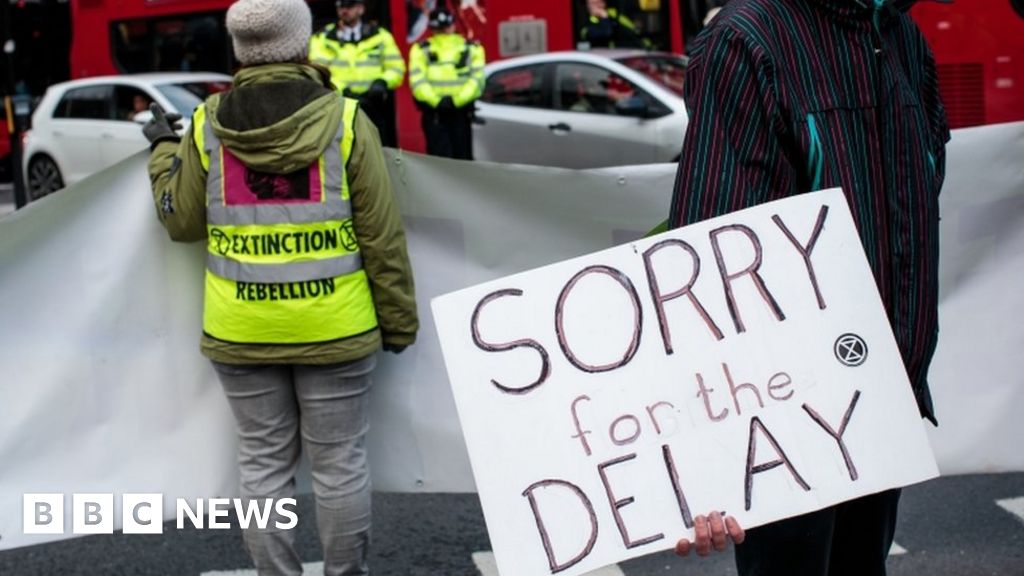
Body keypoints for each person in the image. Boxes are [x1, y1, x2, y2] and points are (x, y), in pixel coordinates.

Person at [667, 0, 949, 574]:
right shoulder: (748, 41)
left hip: (882, 401)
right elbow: (711, 259)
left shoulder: (901, 36)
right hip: (788, 420)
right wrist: (707, 454)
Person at [142, 0, 419, 573]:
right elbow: (382, 237)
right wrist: (398, 322)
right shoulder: (345, 121)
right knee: (340, 464)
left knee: (263, 469)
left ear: (241, 50)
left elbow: (181, 221)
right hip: (338, 329)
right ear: (303, 43)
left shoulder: (205, 125)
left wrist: (162, 152)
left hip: (241, 330)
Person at [309, 0, 406, 147]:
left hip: (375, 104)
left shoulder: (380, 35)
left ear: (361, 9)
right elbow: (319, 70)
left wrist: (382, 82)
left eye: (349, 6)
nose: (344, 10)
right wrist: (342, 90)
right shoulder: (323, 37)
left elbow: (396, 67)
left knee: (378, 149)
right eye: (341, 7)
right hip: (340, 105)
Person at [408, 5, 485, 160]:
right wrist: (455, 101)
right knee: (462, 160)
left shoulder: (420, 49)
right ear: (453, 24)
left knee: (439, 162)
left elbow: (418, 82)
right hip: (453, 113)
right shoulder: (472, 48)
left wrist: (439, 102)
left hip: (440, 113)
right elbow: (476, 82)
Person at [579, 0, 650, 49]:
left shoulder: (615, 16)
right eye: (593, 3)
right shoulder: (586, 24)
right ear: (588, 6)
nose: (598, 5)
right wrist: (604, 17)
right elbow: (606, 32)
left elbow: (632, 31)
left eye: (600, 2)